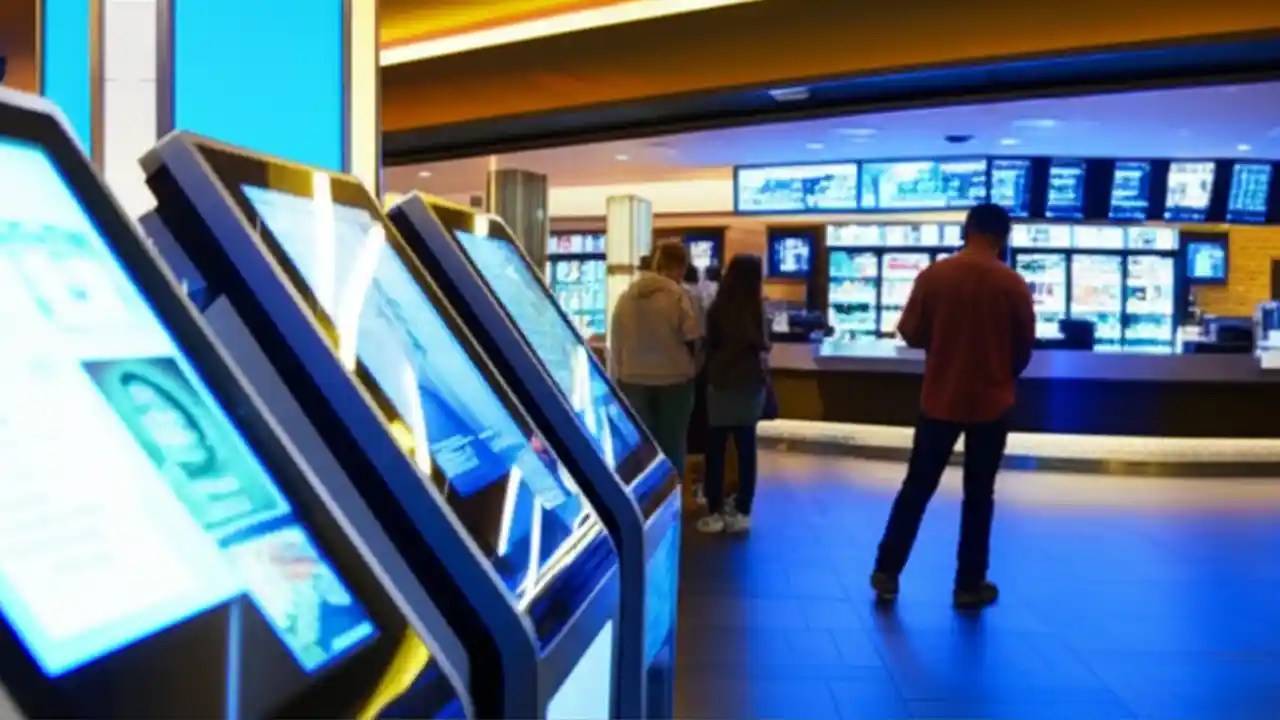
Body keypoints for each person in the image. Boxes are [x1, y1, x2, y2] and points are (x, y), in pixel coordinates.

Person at [870, 203, 1035, 610]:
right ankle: (968, 585)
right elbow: (1023, 350)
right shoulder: (1012, 283)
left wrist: (942, 343)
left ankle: (887, 571)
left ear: (967, 230)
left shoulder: (935, 275)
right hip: (992, 403)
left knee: (916, 488)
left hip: (939, 398)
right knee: (979, 496)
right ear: (1003, 236)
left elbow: (909, 332)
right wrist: (1000, 371)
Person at [610, 241, 702, 478]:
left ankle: (644, 501)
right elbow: (693, 338)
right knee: (672, 446)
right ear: (681, 267)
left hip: (631, 379)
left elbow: (617, 341)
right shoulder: (679, 297)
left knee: (641, 447)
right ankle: (673, 499)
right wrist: (695, 367)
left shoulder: (625, 297)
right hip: (674, 381)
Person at [696, 254, 769, 534]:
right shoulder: (755, 309)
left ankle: (715, 511)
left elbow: (708, 343)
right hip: (749, 385)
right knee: (746, 450)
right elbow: (763, 344)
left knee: (715, 450)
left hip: (720, 383)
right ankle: (743, 510)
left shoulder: (717, 308)